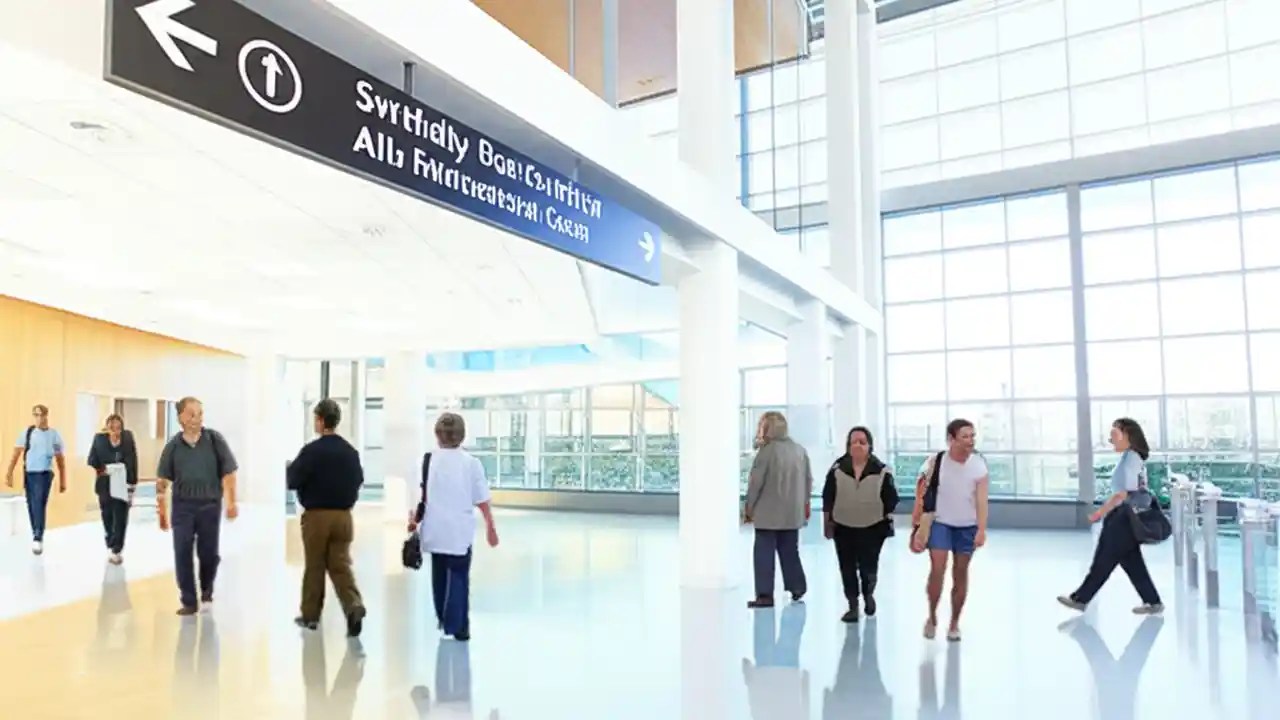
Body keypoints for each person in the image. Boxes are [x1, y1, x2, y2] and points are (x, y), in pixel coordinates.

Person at [407, 413, 500, 642]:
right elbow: (482, 500)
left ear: (437, 435)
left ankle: (443, 617)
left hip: (434, 530)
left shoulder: (427, 461)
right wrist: (490, 527)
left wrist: (412, 520)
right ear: (462, 435)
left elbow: (420, 497)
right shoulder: (471, 464)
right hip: (459, 532)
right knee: (459, 576)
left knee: (438, 576)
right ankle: (458, 626)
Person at [1058, 417, 1164, 615]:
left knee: (1104, 559)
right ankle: (1153, 601)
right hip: (1124, 516)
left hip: (1123, 517)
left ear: (1128, 436)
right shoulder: (1130, 457)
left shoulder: (1131, 458)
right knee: (1132, 562)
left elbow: (1124, 493)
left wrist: (1100, 512)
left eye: (1115, 434)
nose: (1111, 439)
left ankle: (1081, 598)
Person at [288, 398, 367, 636]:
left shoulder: (311, 452)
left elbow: (292, 479)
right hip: (344, 517)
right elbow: (359, 479)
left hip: (317, 517)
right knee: (341, 565)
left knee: (315, 565)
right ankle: (353, 605)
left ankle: (311, 616)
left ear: (321, 420)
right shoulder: (349, 452)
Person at [156, 396, 239, 616]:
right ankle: (189, 601)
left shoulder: (214, 440)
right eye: (191, 414)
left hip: (209, 505)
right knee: (182, 551)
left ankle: (206, 589)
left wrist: (231, 502)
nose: (196, 419)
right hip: (183, 507)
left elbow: (229, 472)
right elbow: (162, 481)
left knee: (208, 553)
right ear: (181, 418)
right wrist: (162, 511)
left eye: (200, 413)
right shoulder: (173, 447)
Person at [911, 418, 988, 642]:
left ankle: (954, 622)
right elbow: (922, 494)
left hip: (967, 526)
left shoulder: (978, 465)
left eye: (972, 436)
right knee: (938, 569)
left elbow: (982, 500)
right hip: (940, 523)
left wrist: (981, 529)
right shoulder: (936, 462)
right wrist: (918, 526)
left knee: (960, 573)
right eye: (965, 436)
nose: (970, 441)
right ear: (951, 439)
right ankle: (932, 616)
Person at [822, 426, 899, 623]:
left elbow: (892, 499)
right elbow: (827, 497)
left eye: (862, 442)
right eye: (853, 442)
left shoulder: (882, 471)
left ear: (870, 446)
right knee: (846, 567)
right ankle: (852, 605)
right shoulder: (837, 469)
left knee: (868, 567)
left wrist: (882, 515)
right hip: (843, 526)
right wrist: (827, 523)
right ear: (847, 445)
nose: (857, 445)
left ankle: (868, 595)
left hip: (873, 528)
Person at [743, 411, 813, 609]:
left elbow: (756, 483)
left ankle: (765, 595)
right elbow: (808, 480)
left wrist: (749, 508)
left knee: (764, 553)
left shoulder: (767, 452)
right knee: (790, 551)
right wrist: (805, 503)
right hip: (793, 512)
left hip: (768, 513)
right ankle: (797, 586)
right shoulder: (799, 450)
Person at [5, 404, 67, 555]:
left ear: (46, 416)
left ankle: (38, 536)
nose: (39, 418)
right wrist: (9, 472)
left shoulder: (54, 435)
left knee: (39, 503)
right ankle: (36, 533)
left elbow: (60, 459)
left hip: (44, 474)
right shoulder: (28, 433)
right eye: (36, 415)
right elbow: (16, 453)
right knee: (32, 504)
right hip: (30, 473)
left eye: (41, 415)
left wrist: (63, 479)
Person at [87, 413, 138, 564]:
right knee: (107, 515)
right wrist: (104, 469)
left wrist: (132, 484)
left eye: (118, 428)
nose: (115, 431)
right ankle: (110, 542)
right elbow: (92, 460)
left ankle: (117, 548)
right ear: (107, 428)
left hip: (122, 483)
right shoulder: (99, 439)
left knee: (120, 517)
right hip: (105, 484)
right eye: (112, 428)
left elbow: (133, 461)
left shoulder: (128, 439)